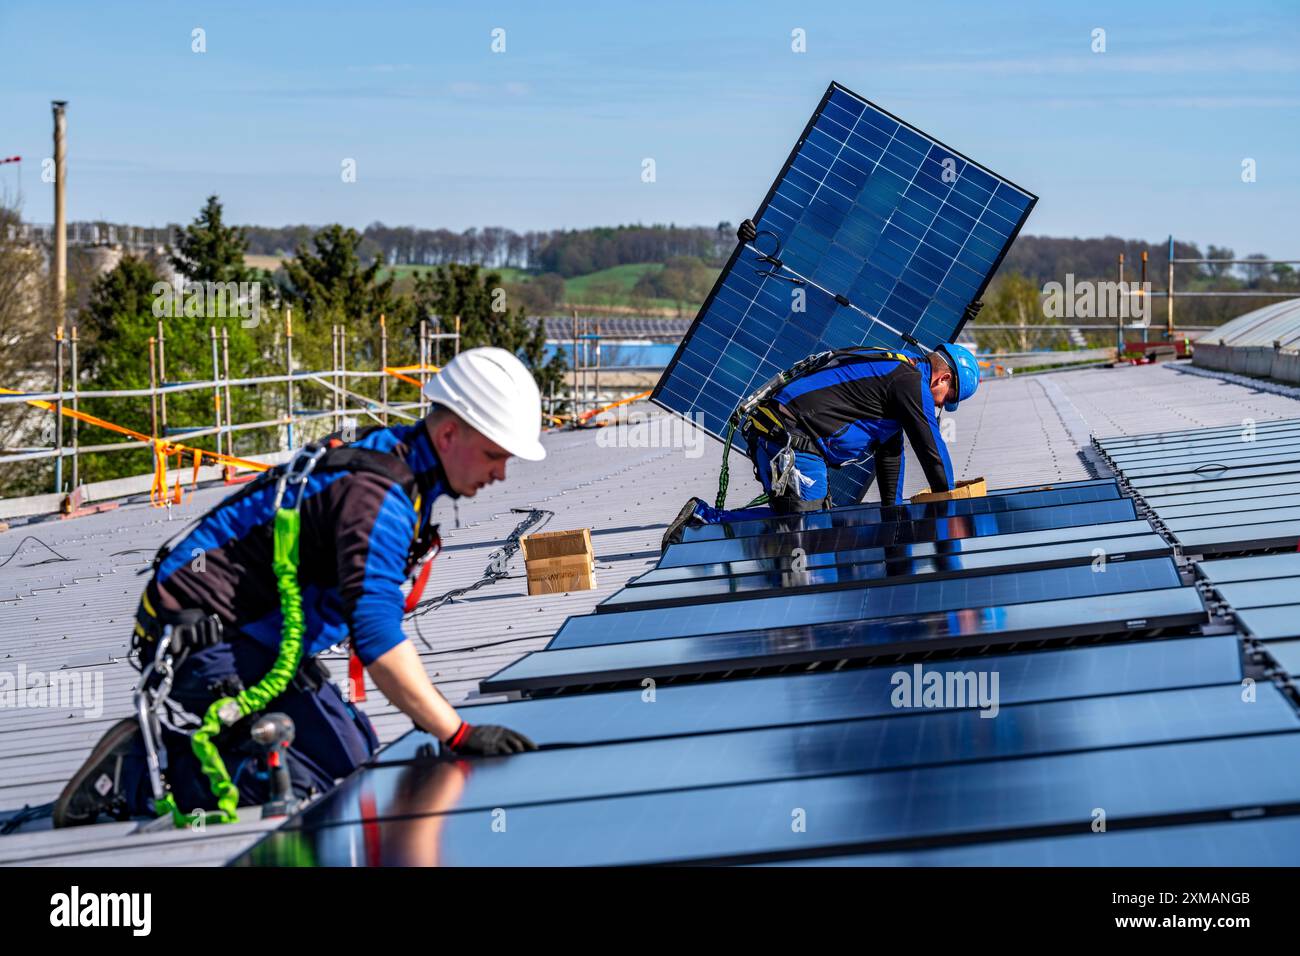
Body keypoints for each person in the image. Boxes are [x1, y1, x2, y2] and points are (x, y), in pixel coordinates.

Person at [54, 347, 545, 827]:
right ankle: (139, 771)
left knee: (353, 752)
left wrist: (434, 718)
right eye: (493, 455)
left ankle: (213, 744)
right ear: (449, 433)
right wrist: (457, 734)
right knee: (318, 782)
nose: (500, 473)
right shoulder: (378, 497)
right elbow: (376, 636)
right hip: (204, 634)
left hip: (250, 633)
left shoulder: (402, 467)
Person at [662, 219, 982, 547]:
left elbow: (890, 454)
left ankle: (710, 528)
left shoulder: (897, 378)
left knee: (809, 527)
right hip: (789, 438)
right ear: (942, 377)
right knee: (806, 529)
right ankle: (701, 523)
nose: (941, 404)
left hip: (783, 437)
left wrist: (893, 514)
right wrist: (950, 506)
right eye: (947, 396)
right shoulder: (910, 381)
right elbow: (931, 449)